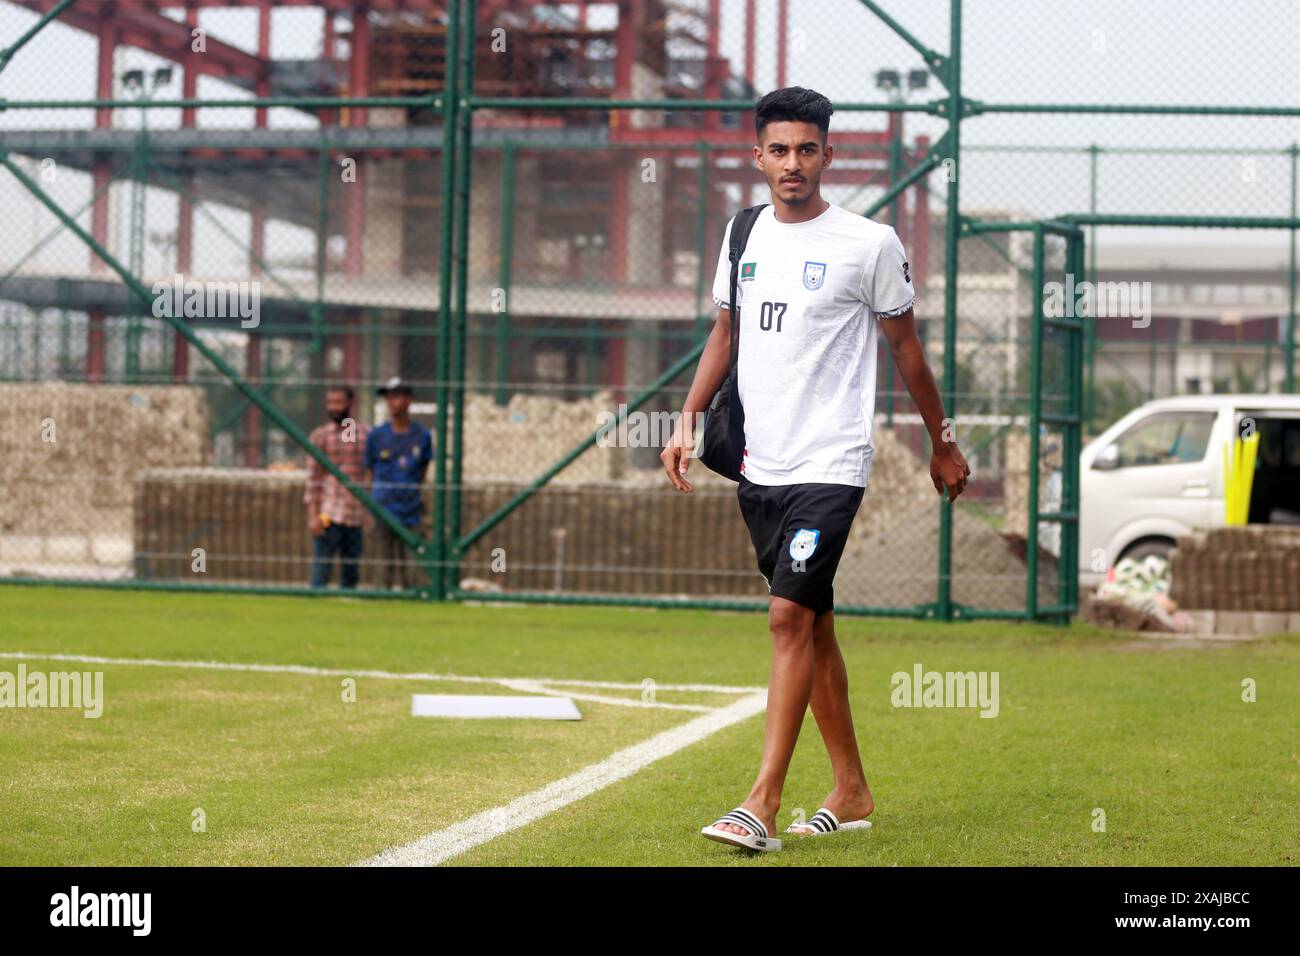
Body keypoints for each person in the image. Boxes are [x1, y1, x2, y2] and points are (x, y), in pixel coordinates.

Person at [660, 87, 971, 852]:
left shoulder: (869, 245)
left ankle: (760, 804)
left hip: (833, 463)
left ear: (829, 156)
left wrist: (943, 440)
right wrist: (688, 415)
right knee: (816, 621)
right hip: (759, 463)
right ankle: (852, 789)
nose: (793, 163)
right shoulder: (741, 236)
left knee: (786, 617)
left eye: (808, 149)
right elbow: (724, 332)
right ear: (758, 156)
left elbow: (908, 353)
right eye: (780, 150)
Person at [364, 377, 433, 590]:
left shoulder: (422, 435)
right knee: (382, 568)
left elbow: (423, 471)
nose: (393, 402)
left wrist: (417, 495)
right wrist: (370, 507)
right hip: (383, 507)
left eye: (397, 397)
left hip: (410, 509)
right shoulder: (377, 435)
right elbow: (370, 471)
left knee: (412, 571)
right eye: (389, 398)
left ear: (408, 400)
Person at [305, 385, 371, 589]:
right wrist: (313, 515)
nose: (333, 407)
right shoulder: (321, 436)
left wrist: (370, 510)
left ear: (350, 404)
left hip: (355, 513)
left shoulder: (365, 434)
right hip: (329, 512)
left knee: (350, 573)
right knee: (320, 570)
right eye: (330, 403)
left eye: (338, 403)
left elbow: (370, 474)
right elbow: (313, 479)